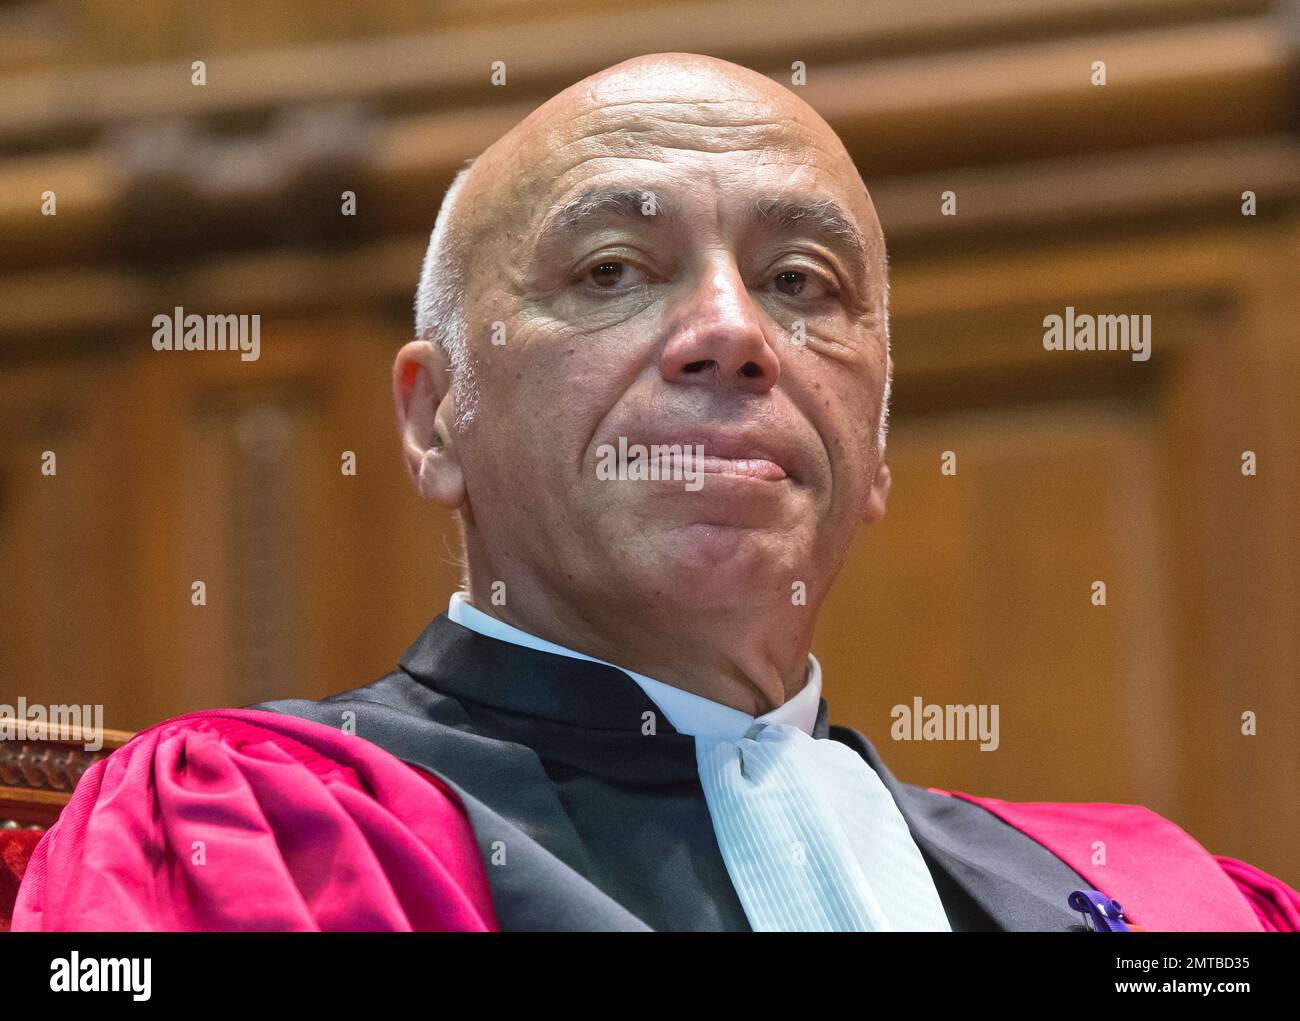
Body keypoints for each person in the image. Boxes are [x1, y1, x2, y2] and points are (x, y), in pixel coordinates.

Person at [12, 53, 1298, 932]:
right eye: (614, 268)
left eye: (802, 283)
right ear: (434, 415)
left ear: (879, 439)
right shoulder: (257, 831)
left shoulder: (1158, 898)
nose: (733, 332)